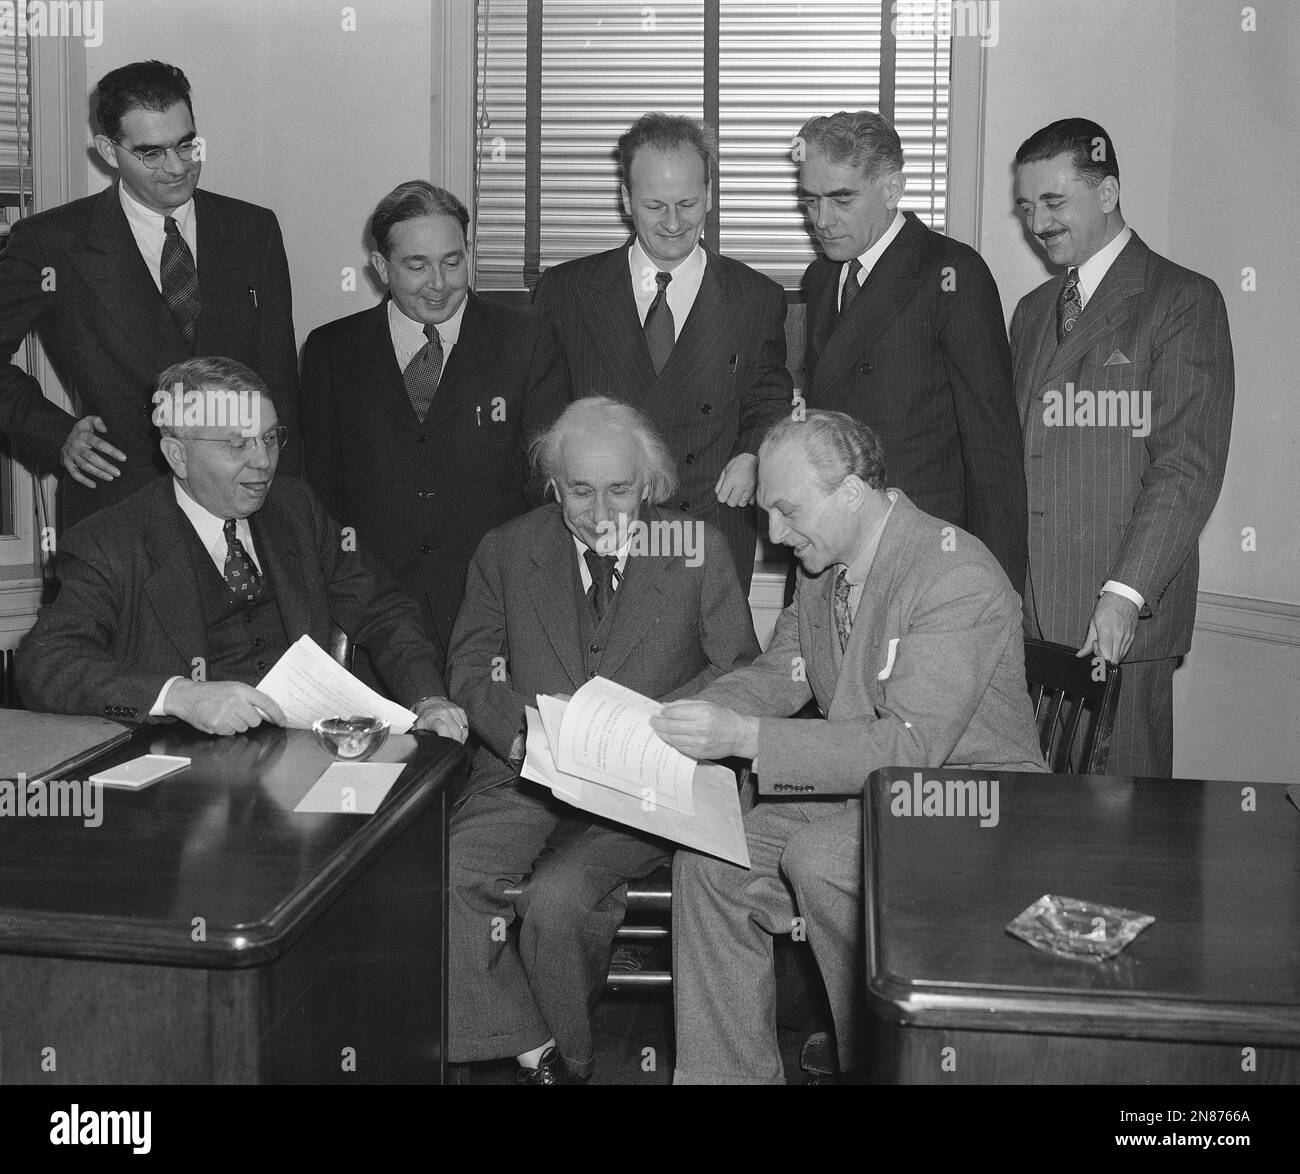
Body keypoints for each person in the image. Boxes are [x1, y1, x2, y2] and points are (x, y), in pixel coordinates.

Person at [651, 410, 1046, 1084]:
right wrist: (691, 714)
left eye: (786, 510)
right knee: (709, 865)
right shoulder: (820, 566)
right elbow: (784, 673)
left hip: (974, 796)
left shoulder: (954, 573)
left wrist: (745, 739)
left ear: (853, 494)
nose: (774, 534)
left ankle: (886, 1067)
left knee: (821, 858)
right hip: (865, 790)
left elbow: (911, 746)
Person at [446, 396, 759, 1084]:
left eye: (620, 489)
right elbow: (470, 670)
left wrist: (658, 726)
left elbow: (738, 669)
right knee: (452, 870)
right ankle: (536, 1050)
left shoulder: (697, 549)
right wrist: (523, 738)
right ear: (555, 486)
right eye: (580, 491)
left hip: (646, 779)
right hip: (526, 767)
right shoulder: (505, 550)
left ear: (648, 486)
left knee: (556, 903)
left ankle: (575, 1062)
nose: (601, 511)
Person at [16, 356, 464, 742]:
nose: (264, 461)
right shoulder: (111, 541)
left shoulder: (295, 508)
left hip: (304, 749)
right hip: (180, 767)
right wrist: (179, 695)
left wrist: (427, 698)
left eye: (269, 438)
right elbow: (44, 663)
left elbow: (380, 610)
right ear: (177, 454)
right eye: (237, 444)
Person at [1011, 118, 1234, 777]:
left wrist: (1125, 593)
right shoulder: (1030, 310)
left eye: (1054, 202)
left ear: (1107, 192)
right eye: (1026, 207)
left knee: (1120, 842)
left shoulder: (1183, 300)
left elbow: (1187, 464)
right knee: (1034, 830)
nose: (1037, 223)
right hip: (1028, 620)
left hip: (1116, 619)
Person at [0, 60, 299, 528]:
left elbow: (278, 380)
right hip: (121, 508)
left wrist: (289, 511)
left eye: (186, 144)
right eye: (151, 153)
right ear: (107, 150)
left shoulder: (252, 229)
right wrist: (56, 434)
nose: (178, 168)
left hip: (244, 504)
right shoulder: (51, 242)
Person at [301, 181, 568, 656]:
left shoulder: (527, 341)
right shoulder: (331, 352)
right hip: (375, 617)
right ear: (381, 267)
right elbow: (321, 494)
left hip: (495, 611)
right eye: (417, 265)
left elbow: (544, 486)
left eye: (452, 261)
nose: (439, 283)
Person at [535, 113, 793, 593]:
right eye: (655, 205)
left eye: (688, 203)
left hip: (707, 533)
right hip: (596, 530)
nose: (674, 224)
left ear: (710, 195)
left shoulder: (756, 296)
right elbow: (542, 416)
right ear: (625, 199)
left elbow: (768, 396)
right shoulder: (566, 291)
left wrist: (753, 454)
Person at [797, 110, 1027, 591]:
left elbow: (993, 449)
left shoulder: (952, 271)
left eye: (842, 199)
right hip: (830, 546)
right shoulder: (821, 279)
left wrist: (998, 587)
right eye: (811, 199)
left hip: (921, 549)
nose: (821, 220)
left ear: (891, 189)